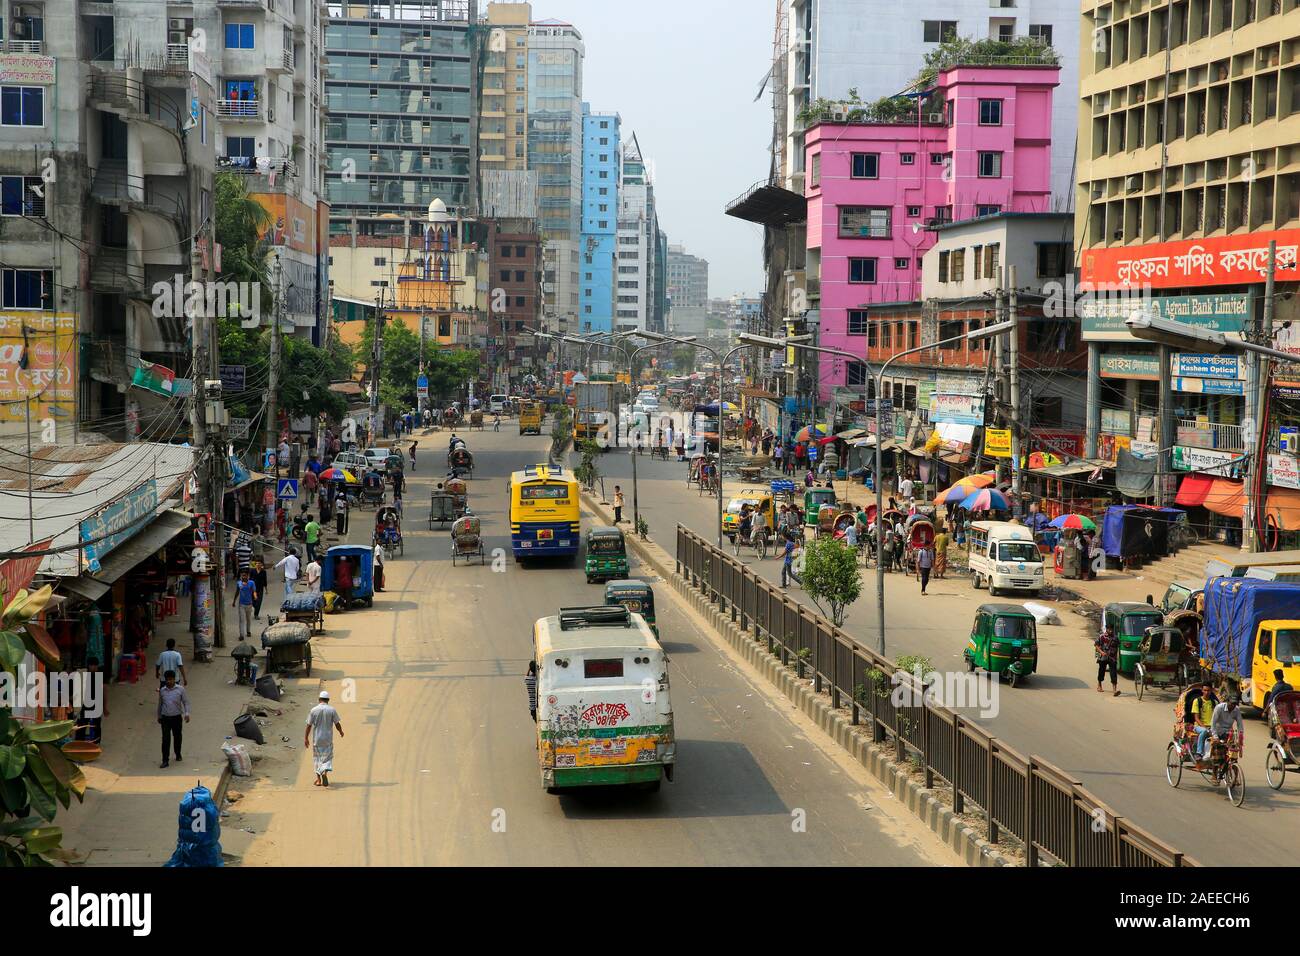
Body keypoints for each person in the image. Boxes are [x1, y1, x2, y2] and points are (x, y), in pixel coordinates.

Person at [305, 690, 344, 787]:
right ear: (328, 700)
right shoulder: (332, 710)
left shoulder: (313, 710)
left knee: (317, 758)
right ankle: (324, 773)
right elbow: (337, 723)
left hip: (317, 739)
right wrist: (341, 731)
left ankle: (318, 780)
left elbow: (308, 725)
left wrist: (306, 738)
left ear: (319, 699)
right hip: (328, 739)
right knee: (327, 758)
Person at [157, 670, 190, 768]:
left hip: (176, 717)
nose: (169, 682)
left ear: (174, 679)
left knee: (177, 736)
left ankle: (178, 753)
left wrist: (187, 713)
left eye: (171, 679)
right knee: (165, 739)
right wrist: (159, 715)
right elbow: (160, 704)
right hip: (165, 718)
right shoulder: (162, 690)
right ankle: (165, 760)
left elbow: (186, 702)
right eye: (167, 680)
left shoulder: (180, 690)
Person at [1208, 696, 1245, 765]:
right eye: (1231, 704)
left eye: (1235, 704)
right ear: (1227, 702)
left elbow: (1240, 725)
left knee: (1233, 752)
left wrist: (1240, 738)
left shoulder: (1236, 710)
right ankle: (1214, 773)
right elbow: (1213, 723)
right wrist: (1215, 737)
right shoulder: (1219, 708)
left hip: (1228, 732)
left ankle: (1232, 768)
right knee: (1217, 754)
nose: (1233, 706)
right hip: (1218, 731)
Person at [1191, 683, 1217, 757]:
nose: (1206, 692)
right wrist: (1205, 727)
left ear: (1211, 691)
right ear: (1202, 690)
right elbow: (1196, 718)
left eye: (1208, 690)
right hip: (1199, 726)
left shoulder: (1214, 702)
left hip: (1212, 727)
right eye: (1205, 690)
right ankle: (1199, 752)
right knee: (1204, 731)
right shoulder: (1197, 701)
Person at [1095, 624, 1120, 696]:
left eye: (1112, 629)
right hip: (1103, 658)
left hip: (1112, 658)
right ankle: (1099, 685)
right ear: (1106, 629)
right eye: (1109, 629)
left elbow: (1118, 647)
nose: (1111, 631)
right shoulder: (1102, 636)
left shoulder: (1116, 638)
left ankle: (1114, 690)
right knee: (1101, 671)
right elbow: (1096, 645)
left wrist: (1116, 657)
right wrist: (1101, 652)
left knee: (1113, 673)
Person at [232, 569, 258, 640]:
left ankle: (248, 631)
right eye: (242, 576)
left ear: (248, 576)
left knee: (248, 619)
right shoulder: (239, 583)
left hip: (249, 604)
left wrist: (255, 596)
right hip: (241, 605)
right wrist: (234, 601)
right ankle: (241, 635)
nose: (243, 577)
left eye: (245, 576)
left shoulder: (251, 583)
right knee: (241, 620)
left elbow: (254, 591)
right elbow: (237, 592)